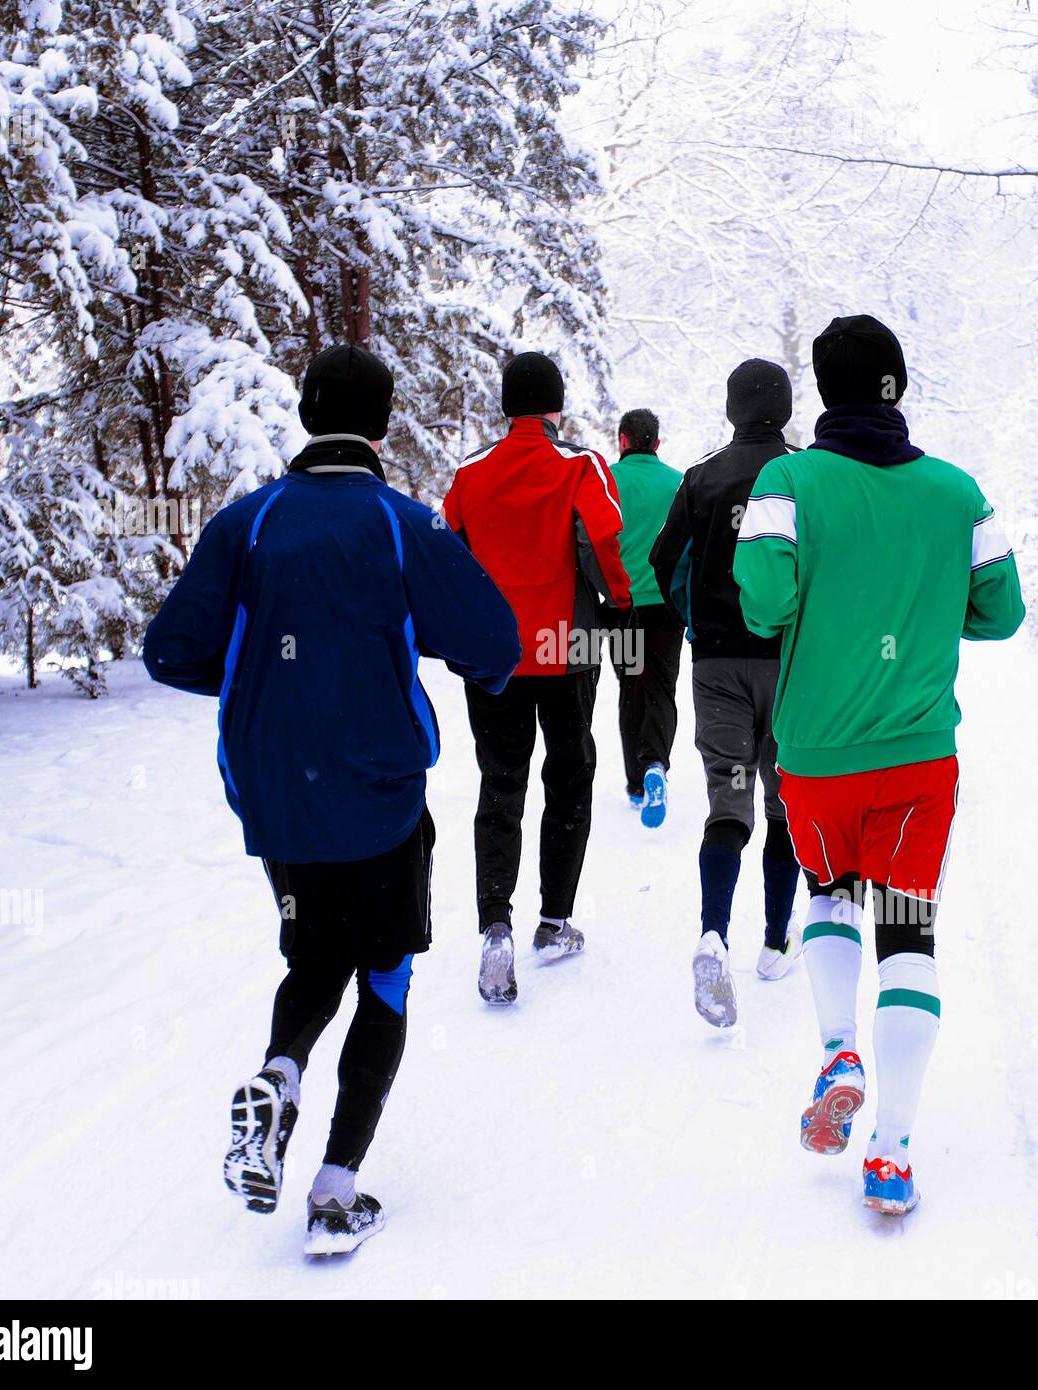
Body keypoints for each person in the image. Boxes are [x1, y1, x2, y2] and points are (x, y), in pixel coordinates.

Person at [143, 344, 520, 1254]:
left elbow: (169, 652)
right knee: (382, 972)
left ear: (307, 416)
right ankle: (334, 1191)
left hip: (275, 797)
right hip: (381, 790)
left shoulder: (246, 522)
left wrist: (263, 689)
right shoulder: (401, 523)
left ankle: (279, 1075)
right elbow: (494, 643)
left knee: (315, 957)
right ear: (382, 424)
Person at [733, 313, 1025, 1216]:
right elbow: (1002, 611)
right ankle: (891, 1153)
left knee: (827, 897)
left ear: (823, 392)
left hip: (816, 756)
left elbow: (763, 605)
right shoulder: (958, 493)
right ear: (896, 388)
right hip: (915, 761)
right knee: (908, 931)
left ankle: (836, 1046)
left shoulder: (785, 481)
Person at [442, 351, 632, 1005]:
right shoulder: (580, 465)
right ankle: (554, 922)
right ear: (555, 408)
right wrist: (621, 601)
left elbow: (447, 556)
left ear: (505, 406)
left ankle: (495, 923)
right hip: (566, 645)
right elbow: (606, 538)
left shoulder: (469, 474)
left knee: (500, 784)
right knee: (568, 775)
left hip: (494, 656)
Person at [650, 359, 805, 1027]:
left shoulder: (699, 477)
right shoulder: (805, 476)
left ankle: (714, 933)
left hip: (716, 664)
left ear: (730, 408)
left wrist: (698, 621)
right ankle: (774, 943)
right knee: (785, 801)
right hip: (791, 664)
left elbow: (663, 561)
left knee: (727, 799)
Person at [604, 408, 685, 827]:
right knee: (662, 687)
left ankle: (637, 782)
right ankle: (656, 763)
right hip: (666, 607)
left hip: (621, 605)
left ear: (622, 440)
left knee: (631, 687)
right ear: (656, 442)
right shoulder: (678, 483)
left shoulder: (608, 482)